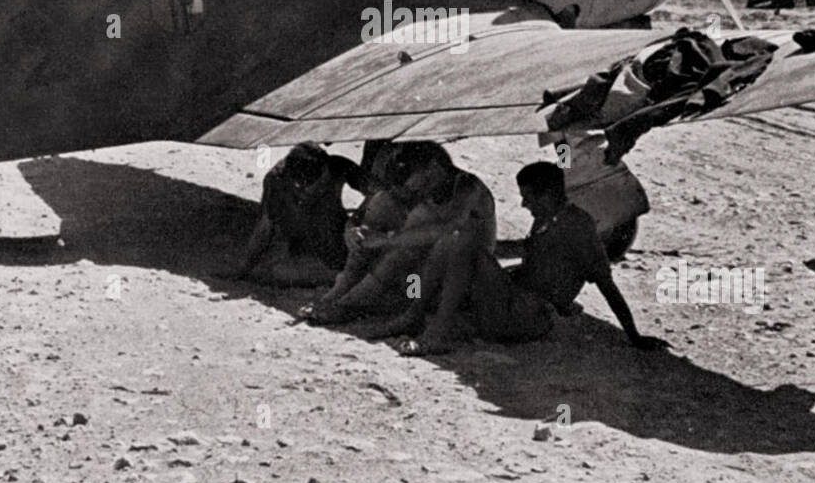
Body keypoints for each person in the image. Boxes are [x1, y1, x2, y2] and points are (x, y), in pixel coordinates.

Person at [393, 161, 666, 355]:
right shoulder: (547, 218)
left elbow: (607, 284)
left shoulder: (578, 227)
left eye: (528, 198)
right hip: (515, 302)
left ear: (548, 196)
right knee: (454, 244)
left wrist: (634, 336)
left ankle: (435, 336)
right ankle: (412, 316)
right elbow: (530, 254)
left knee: (461, 242)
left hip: (528, 316)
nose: (524, 205)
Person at [302, 143, 495, 325]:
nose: (415, 192)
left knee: (404, 253)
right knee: (383, 203)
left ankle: (356, 304)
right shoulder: (427, 186)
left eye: (416, 186)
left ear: (433, 168)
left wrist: (386, 240)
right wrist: (354, 232)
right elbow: (370, 209)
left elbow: (444, 231)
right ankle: (342, 291)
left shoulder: (468, 188)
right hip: (417, 272)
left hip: (456, 280)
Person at [236, 142, 367, 286]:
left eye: (318, 185)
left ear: (325, 169)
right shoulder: (276, 179)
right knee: (279, 272)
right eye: (302, 190)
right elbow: (264, 228)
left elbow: (380, 192)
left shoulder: (338, 166)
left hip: (339, 241)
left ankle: (347, 275)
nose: (308, 193)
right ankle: (346, 276)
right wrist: (243, 270)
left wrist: (354, 221)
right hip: (304, 251)